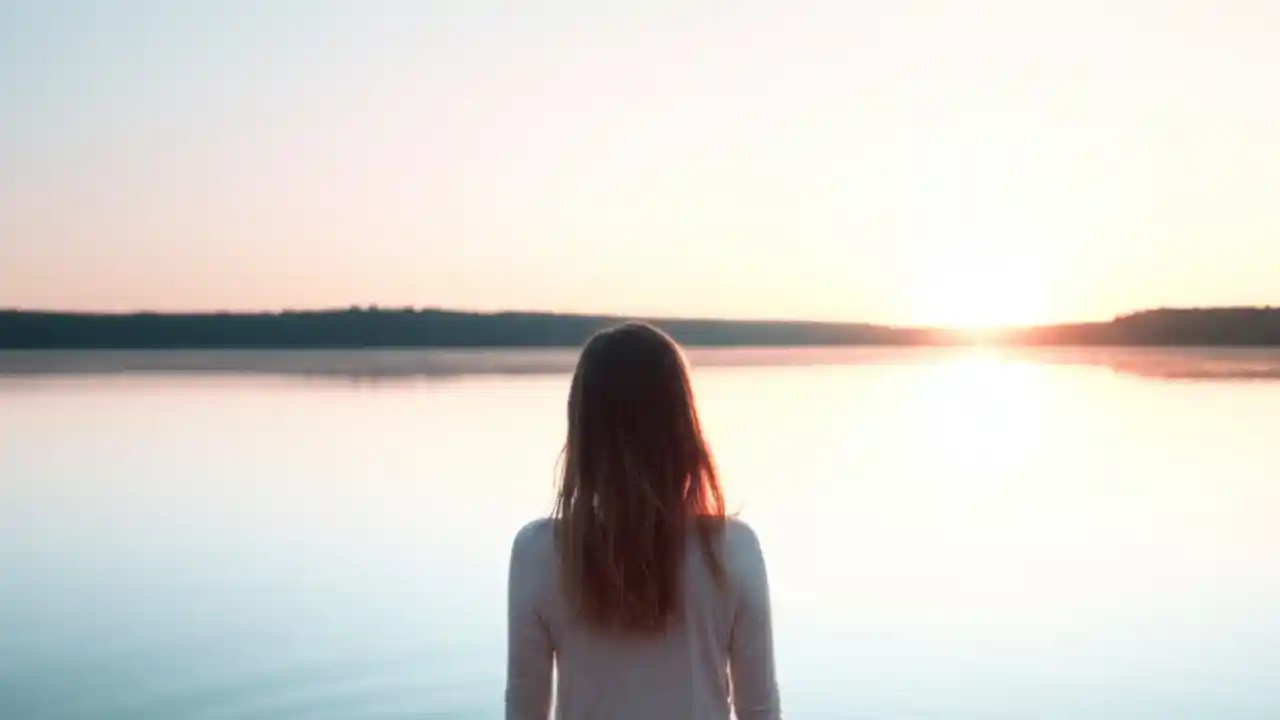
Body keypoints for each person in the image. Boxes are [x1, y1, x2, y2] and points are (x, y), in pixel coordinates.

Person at [506, 322, 780, 719]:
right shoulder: (731, 551)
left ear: (584, 433)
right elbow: (761, 712)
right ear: (684, 430)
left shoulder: (539, 554)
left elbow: (524, 711)